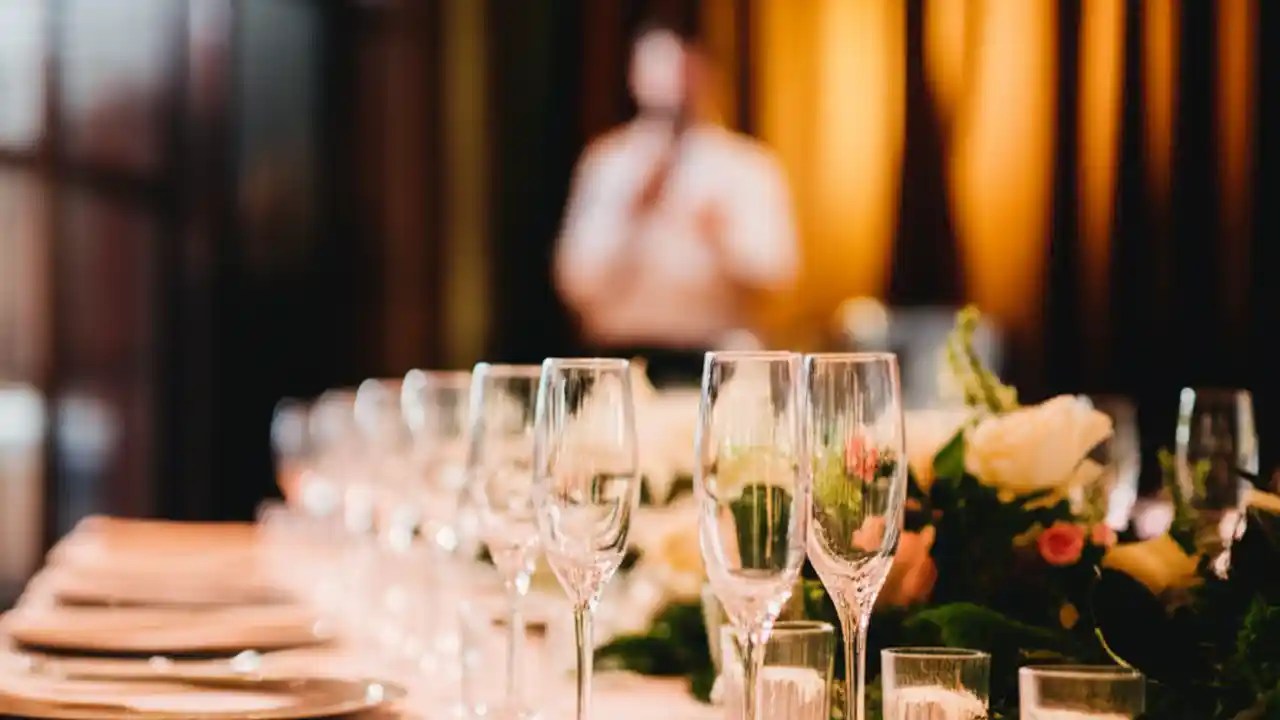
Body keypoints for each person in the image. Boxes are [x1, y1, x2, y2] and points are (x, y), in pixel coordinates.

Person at [554, 25, 799, 385]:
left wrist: (721, 235)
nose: (672, 85)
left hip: (718, 360)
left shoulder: (748, 167)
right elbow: (575, 282)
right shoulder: (607, 163)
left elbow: (778, 276)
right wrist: (629, 214)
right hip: (621, 361)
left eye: (683, 69)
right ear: (635, 76)